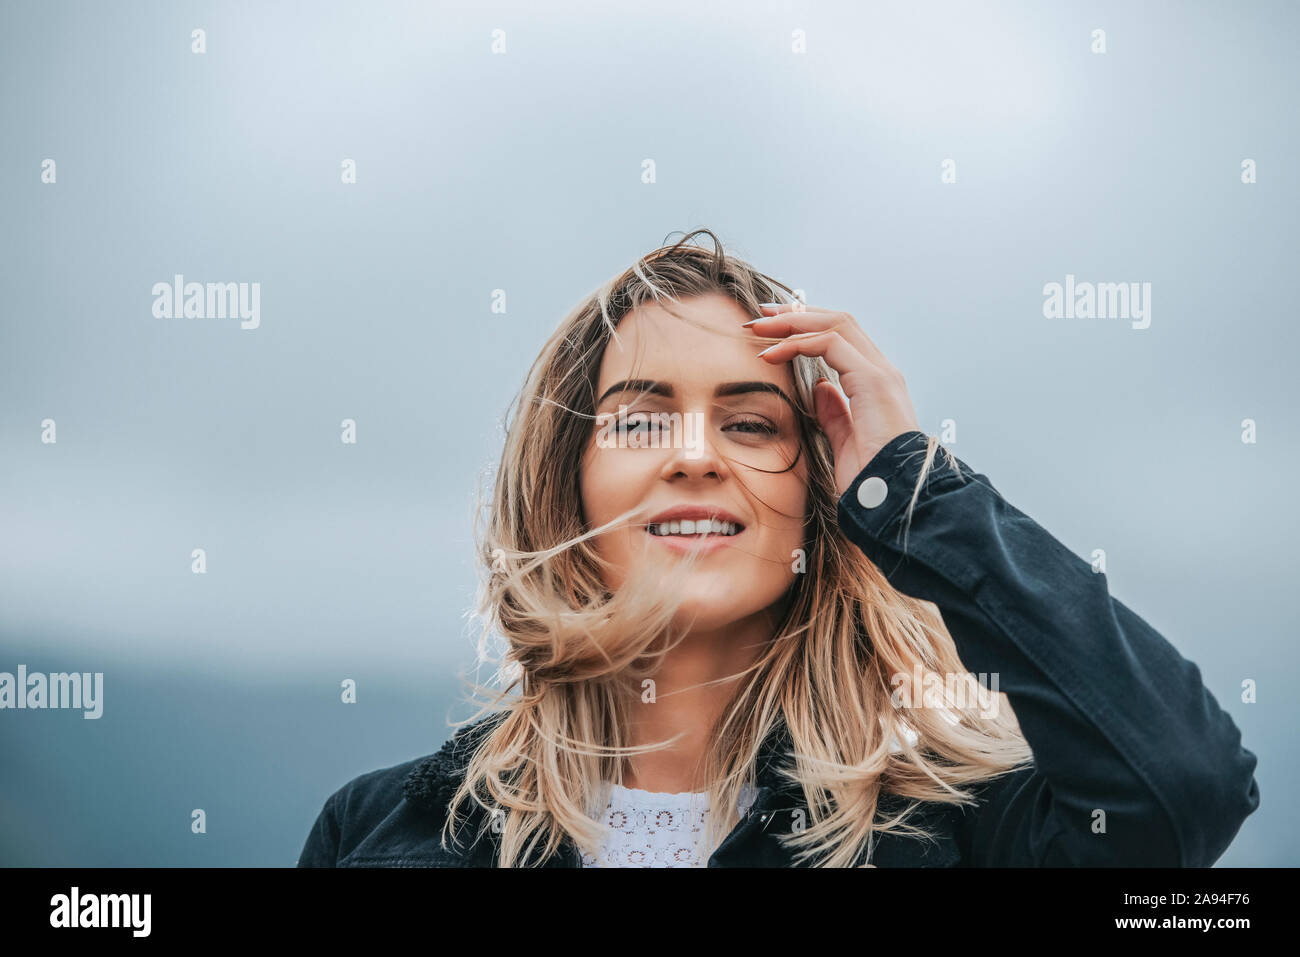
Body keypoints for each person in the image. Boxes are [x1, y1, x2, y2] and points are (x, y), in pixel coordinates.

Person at [297, 229, 1259, 868]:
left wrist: (917, 490)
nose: (695, 457)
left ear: (822, 497)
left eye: (752, 425)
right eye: (640, 421)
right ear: (565, 483)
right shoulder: (385, 832)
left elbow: (1182, 785)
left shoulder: (956, 831)